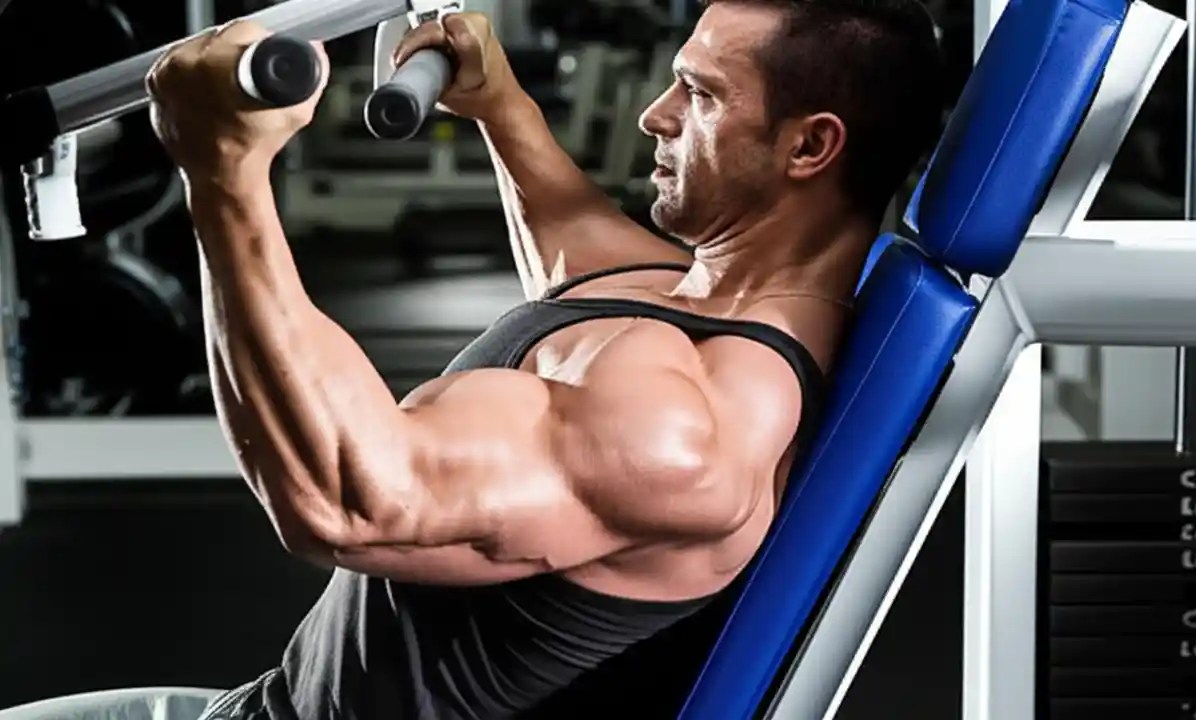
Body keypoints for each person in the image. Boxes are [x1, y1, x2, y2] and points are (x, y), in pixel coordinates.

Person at [143, 0, 942, 717]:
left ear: (809, 146)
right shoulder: (692, 296)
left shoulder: (684, 431)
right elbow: (571, 246)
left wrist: (225, 174)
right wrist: (497, 101)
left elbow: (357, 499)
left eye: (699, 94)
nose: (655, 116)